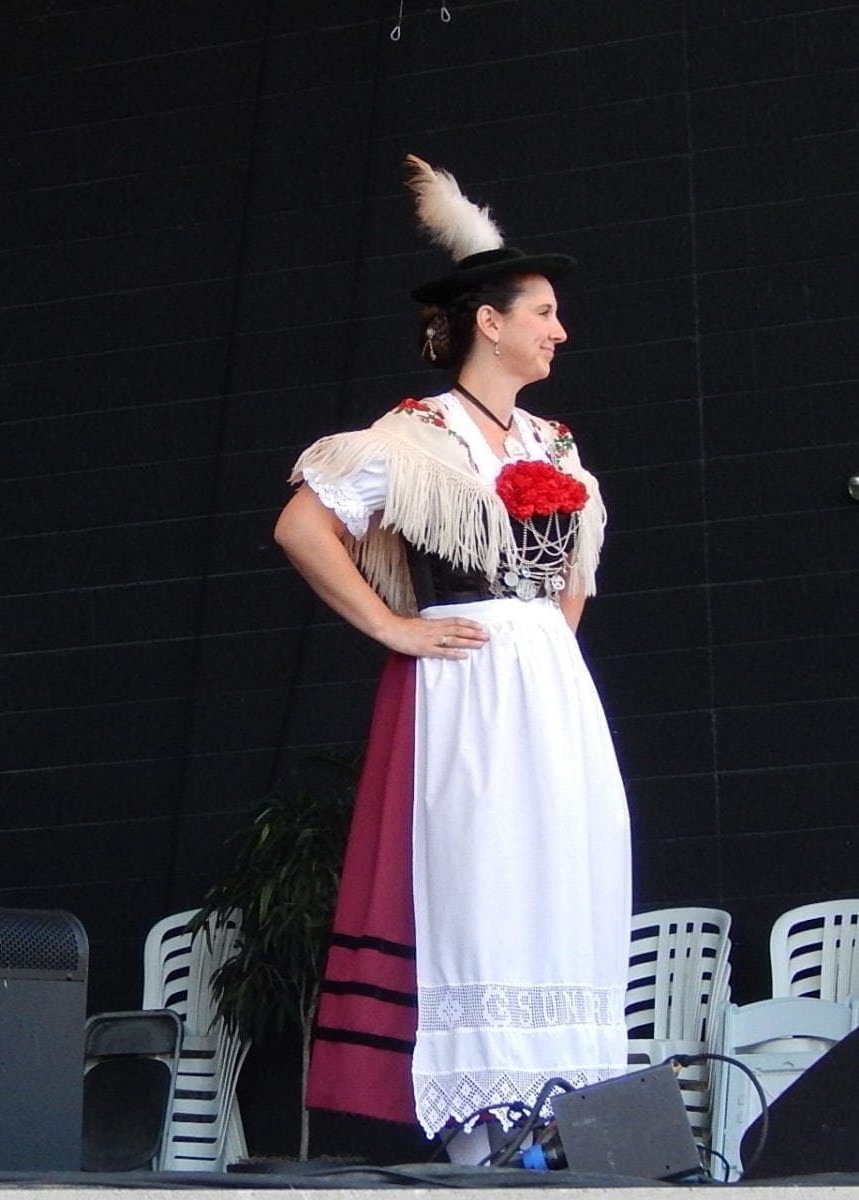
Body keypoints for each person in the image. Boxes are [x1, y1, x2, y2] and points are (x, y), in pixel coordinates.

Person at [276, 156, 630, 1161]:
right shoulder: (419, 436)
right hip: (466, 687)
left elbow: (573, 577)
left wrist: (544, 655)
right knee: (480, 878)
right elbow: (305, 525)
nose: (558, 330)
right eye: (544, 312)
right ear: (491, 320)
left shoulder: (555, 446)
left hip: (543, 693)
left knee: (564, 868)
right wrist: (390, 628)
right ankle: (476, 1136)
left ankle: (552, 1112)